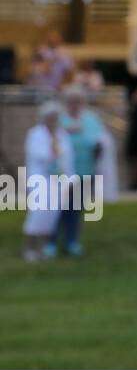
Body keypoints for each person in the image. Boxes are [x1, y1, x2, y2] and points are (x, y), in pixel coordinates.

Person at [52, 85, 109, 257]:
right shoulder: (59, 120)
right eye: (71, 101)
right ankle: (52, 242)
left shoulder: (91, 119)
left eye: (78, 101)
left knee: (76, 209)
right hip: (62, 173)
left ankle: (72, 241)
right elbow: (51, 140)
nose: (75, 105)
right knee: (58, 209)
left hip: (85, 172)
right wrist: (66, 132)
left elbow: (100, 140)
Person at [22, 102, 72, 262]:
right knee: (37, 213)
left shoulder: (63, 135)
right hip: (39, 179)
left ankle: (44, 249)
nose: (53, 120)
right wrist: (54, 149)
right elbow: (39, 154)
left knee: (51, 215)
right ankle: (29, 249)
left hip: (57, 181)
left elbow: (68, 158)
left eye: (56, 117)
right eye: (50, 117)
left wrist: (70, 178)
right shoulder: (35, 134)